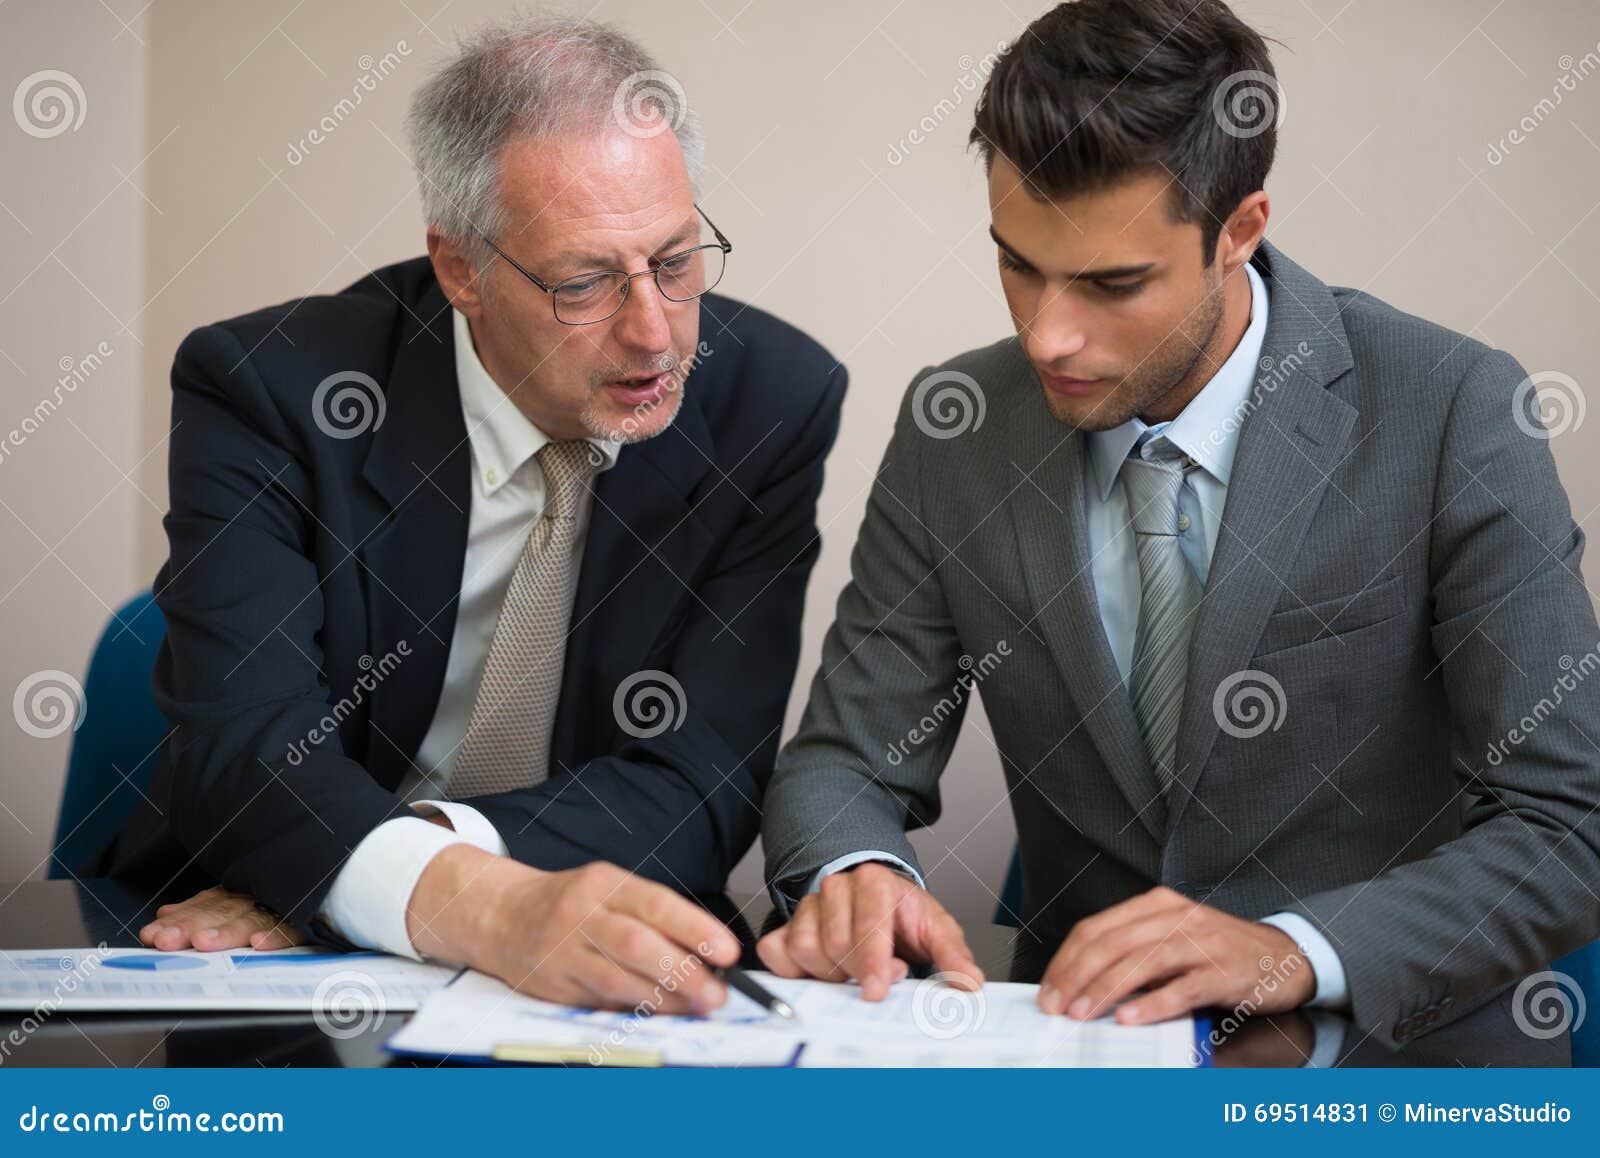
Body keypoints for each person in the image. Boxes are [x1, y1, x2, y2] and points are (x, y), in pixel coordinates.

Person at [757, 0, 1600, 1057]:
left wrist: (1290, 951)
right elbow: (844, 764)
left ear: (1239, 231)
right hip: (1084, 1060)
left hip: (1394, 1066)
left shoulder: (1450, 408)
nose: (1047, 336)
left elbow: (1570, 820)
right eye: (1017, 263)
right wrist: (854, 872)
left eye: (1112, 283)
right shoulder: (953, 427)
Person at [100, 14, 845, 1016]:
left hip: (574, 960)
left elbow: (698, 782)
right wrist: (454, 902)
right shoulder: (275, 390)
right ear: (461, 269)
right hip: (249, 941)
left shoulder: (771, 401)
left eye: (676, 261)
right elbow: (245, 747)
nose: (656, 333)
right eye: (584, 282)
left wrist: (403, 877)